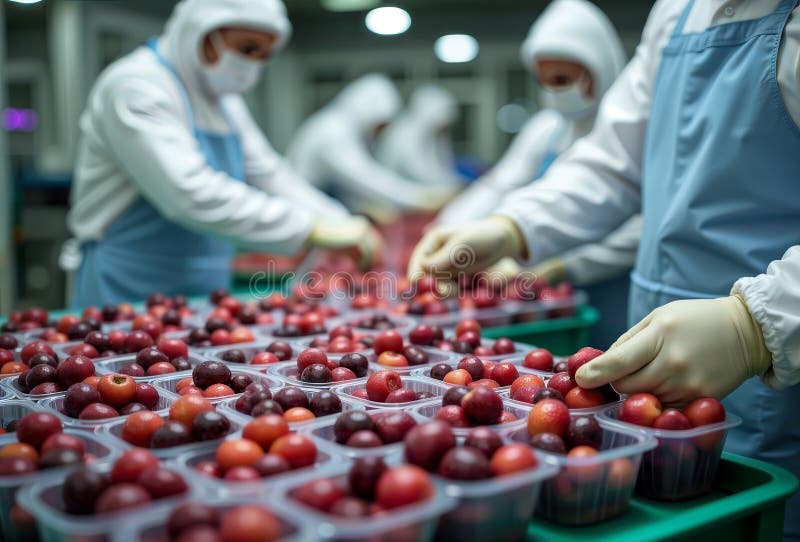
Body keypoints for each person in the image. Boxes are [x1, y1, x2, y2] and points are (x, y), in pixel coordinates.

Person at [409, 0, 800, 537]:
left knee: (759, 514)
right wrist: (513, 226)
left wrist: (759, 325)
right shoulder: (679, 11)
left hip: (781, 371)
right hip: (650, 345)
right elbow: (616, 158)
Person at [67, 0, 379, 308]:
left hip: (204, 283)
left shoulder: (223, 100)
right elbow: (190, 192)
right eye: (246, 48)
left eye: (265, 54)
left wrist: (338, 221)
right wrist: (310, 228)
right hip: (129, 284)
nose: (253, 63)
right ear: (200, 32)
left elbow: (269, 174)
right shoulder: (136, 86)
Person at [437, 0, 634, 348]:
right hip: (544, 299)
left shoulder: (633, 132)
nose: (555, 91)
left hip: (613, 291)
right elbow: (497, 185)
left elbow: (641, 225)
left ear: (599, 69)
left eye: (562, 79)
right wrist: (447, 231)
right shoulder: (547, 130)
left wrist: (564, 265)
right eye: (544, 81)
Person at [287, 74, 454, 222]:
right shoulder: (333, 132)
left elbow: (346, 182)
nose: (377, 133)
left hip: (317, 204)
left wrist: (363, 206)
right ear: (368, 113)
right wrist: (418, 198)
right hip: (303, 210)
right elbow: (363, 177)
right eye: (379, 126)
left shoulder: (344, 128)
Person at [376, 84, 463, 189]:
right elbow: (416, 172)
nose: (443, 130)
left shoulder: (434, 138)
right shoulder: (402, 136)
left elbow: (442, 170)